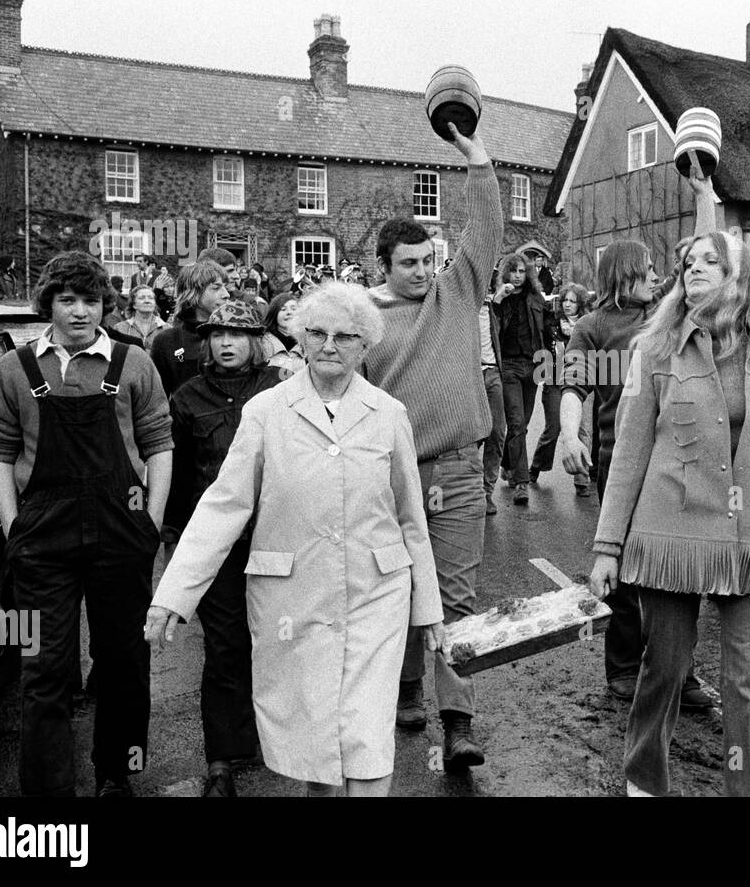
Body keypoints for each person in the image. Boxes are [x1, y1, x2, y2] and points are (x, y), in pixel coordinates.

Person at [146, 283, 443, 797]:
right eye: (318, 334)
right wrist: (174, 595)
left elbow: (410, 518)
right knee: (316, 740)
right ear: (300, 338)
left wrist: (429, 609)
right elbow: (225, 503)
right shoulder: (266, 411)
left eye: (345, 336)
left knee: (368, 732)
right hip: (292, 596)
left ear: (366, 345)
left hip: (377, 592)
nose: (330, 346)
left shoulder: (388, 413)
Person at [590, 225, 750, 797]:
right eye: (688, 261)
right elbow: (629, 452)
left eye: (709, 261)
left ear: (739, 275)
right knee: (665, 667)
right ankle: (645, 780)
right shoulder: (652, 348)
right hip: (670, 536)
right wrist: (607, 547)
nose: (693, 268)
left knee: (749, 682)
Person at [0, 252, 172, 796]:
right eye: (67, 300)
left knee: (124, 661)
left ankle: (120, 771)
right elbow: (0, 449)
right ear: (49, 305)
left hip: (121, 530)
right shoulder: (16, 368)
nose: (80, 311)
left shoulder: (133, 362)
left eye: (90, 300)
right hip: (44, 536)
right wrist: (14, 526)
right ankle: (47, 795)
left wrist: (151, 521)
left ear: (104, 306)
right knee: (43, 669)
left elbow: (159, 441)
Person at [359, 123, 499, 772]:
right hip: (392, 478)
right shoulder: (360, 320)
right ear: (382, 267)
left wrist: (477, 159)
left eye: (428, 261)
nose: (422, 273)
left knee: (457, 597)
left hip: (462, 472)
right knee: (400, 592)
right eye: (408, 264)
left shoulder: (458, 290)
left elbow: (488, 228)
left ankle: (459, 722)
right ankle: (408, 684)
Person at [558, 239, 710, 710]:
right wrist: (569, 436)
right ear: (622, 274)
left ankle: (679, 670)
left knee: (677, 566)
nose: (654, 276)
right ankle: (624, 667)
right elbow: (573, 387)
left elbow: (711, 258)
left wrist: (705, 193)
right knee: (619, 563)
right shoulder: (593, 328)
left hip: (676, 462)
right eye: (645, 269)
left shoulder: (667, 316)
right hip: (619, 461)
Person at [163, 301, 282, 797]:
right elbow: (177, 476)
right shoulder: (187, 398)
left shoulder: (279, 391)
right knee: (225, 643)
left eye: (236, 333)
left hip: (278, 539)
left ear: (255, 340)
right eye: (216, 334)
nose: (225, 342)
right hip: (217, 542)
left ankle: (276, 738)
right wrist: (173, 543)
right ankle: (220, 761)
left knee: (278, 639)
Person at [491, 253, 550, 506]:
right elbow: (490, 327)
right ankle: (521, 483)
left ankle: (508, 462)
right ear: (506, 273)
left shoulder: (536, 298)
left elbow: (546, 331)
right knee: (516, 424)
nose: (517, 276)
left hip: (533, 364)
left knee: (522, 424)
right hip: (510, 367)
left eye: (522, 271)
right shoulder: (500, 300)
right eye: (513, 271)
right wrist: (498, 299)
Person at [530, 282, 593, 495]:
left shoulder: (587, 326)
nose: (567, 305)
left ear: (580, 304)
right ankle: (536, 467)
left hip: (581, 380)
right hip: (555, 379)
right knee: (553, 429)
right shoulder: (552, 323)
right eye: (565, 300)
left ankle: (582, 480)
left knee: (584, 430)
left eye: (572, 301)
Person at [148, 250, 231, 397]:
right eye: (216, 288)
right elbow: (158, 400)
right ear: (193, 293)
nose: (226, 294)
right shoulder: (167, 341)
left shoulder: (236, 334)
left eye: (225, 287)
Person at [479, 267, 505, 516]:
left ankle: (487, 492)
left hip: (493, 373)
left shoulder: (493, 307)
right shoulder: (461, 307)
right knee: (470, 436)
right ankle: (469, 490)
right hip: (469, 374)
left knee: (497, 432)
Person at [110, 284, 170, 350]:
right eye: (142, 298)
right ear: (134, 305)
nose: (147, 301)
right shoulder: (120, 328)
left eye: (151, 298)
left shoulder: (167, 329)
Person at [261, 293, 304, 378]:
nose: (289, 312)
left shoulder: (307, 341)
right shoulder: (263, 342)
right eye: (283, 309)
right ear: (274, 313)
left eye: (293, 309)